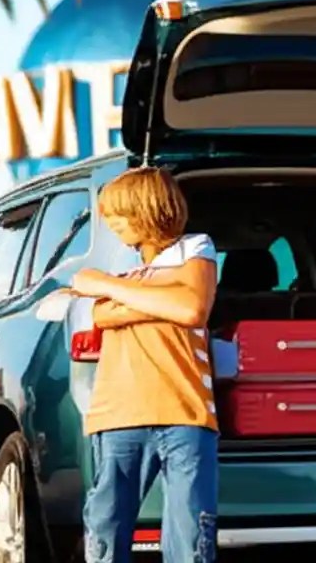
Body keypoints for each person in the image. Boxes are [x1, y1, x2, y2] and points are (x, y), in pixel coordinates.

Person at [67, 166, 220, 563]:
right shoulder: (126, 265)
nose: (110, 223)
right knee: (106, 527)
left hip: (184, 412)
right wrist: (153, 296)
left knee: (189, 535)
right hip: (117, 416)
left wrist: (107, 286)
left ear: (146, 210)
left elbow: (190, 308)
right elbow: (102, 317)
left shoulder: (195, 248)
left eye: (118, 215)